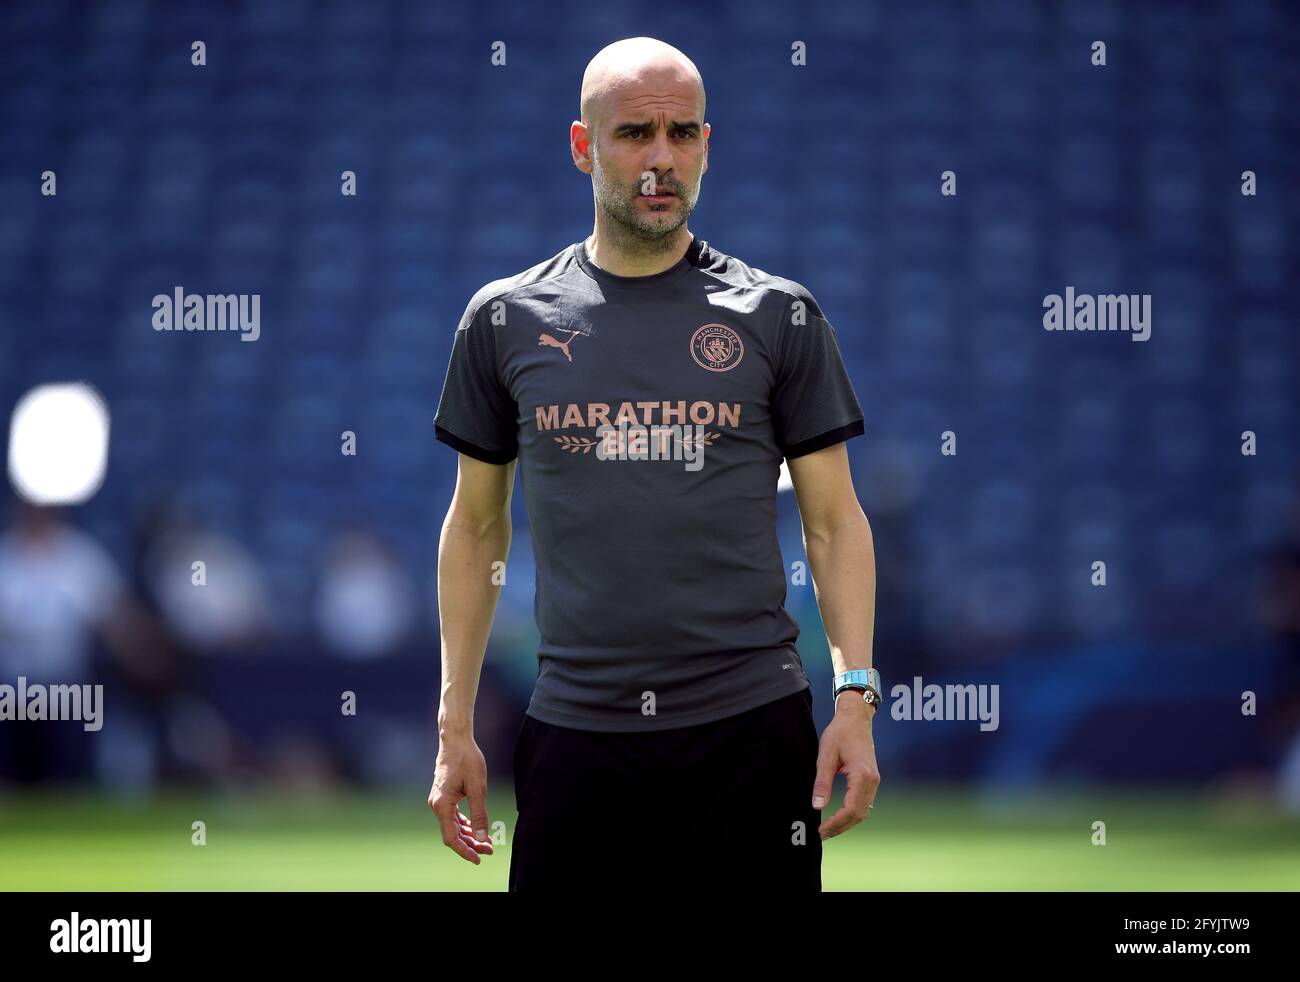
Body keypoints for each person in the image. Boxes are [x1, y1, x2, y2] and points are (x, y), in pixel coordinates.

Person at [428, 37, 881, 891]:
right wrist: (455, 724)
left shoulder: (780, 315)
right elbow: (476, 525)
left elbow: (833, 522)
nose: (662, 159)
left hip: (751, 729)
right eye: (635, 133)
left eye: (684, 134)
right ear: (582, 146)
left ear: (708, 144)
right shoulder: (503, 319)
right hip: (576, 734)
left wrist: (854, 700)